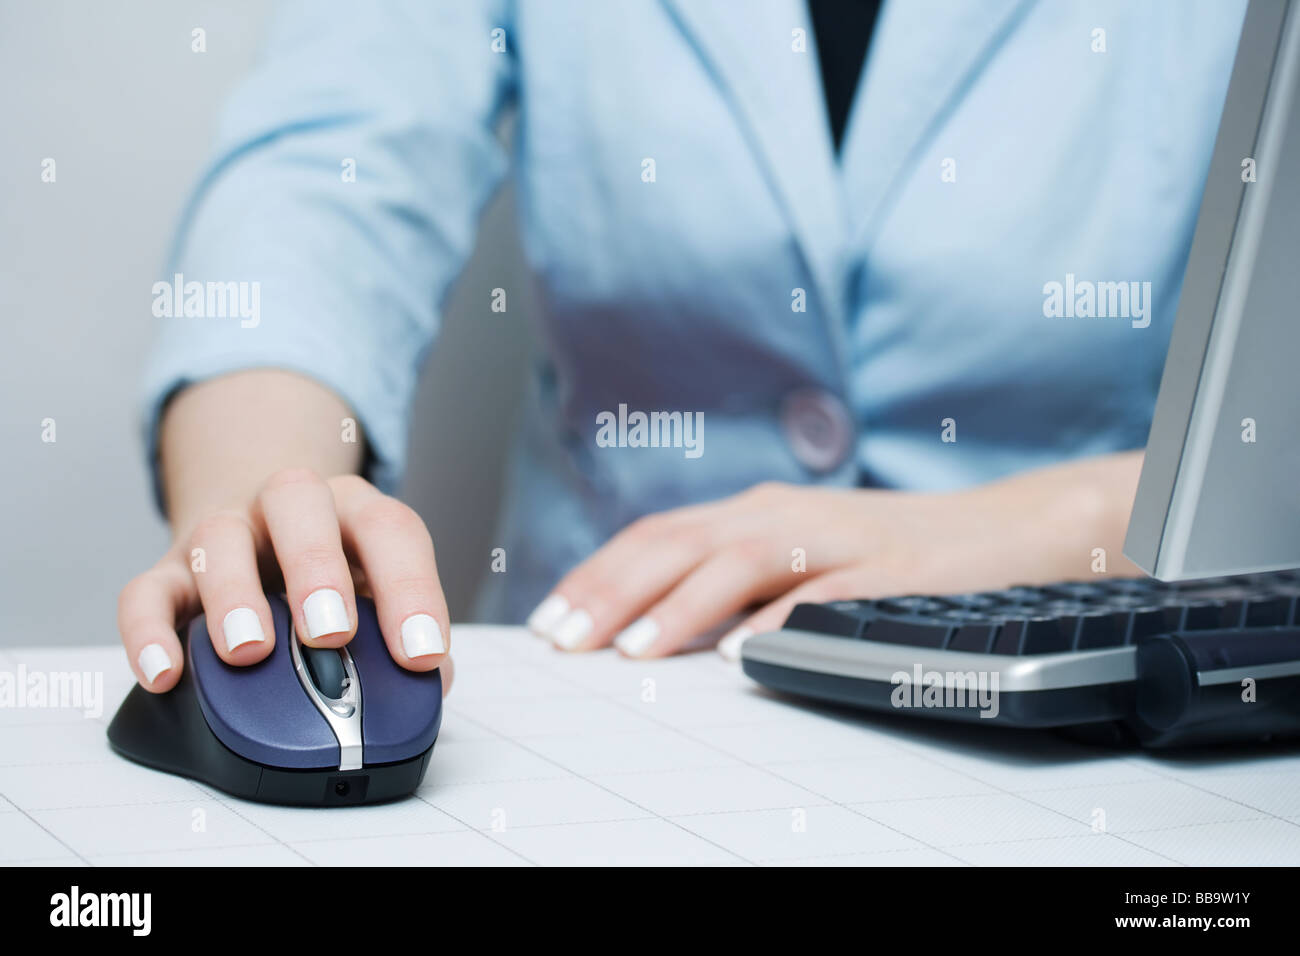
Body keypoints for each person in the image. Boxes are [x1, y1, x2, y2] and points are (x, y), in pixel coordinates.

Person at [117, 0, 1247, 693]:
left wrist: (1070, 526)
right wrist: (266, 497)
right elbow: (326, 175)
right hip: (606, 676)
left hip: (1105, 684)